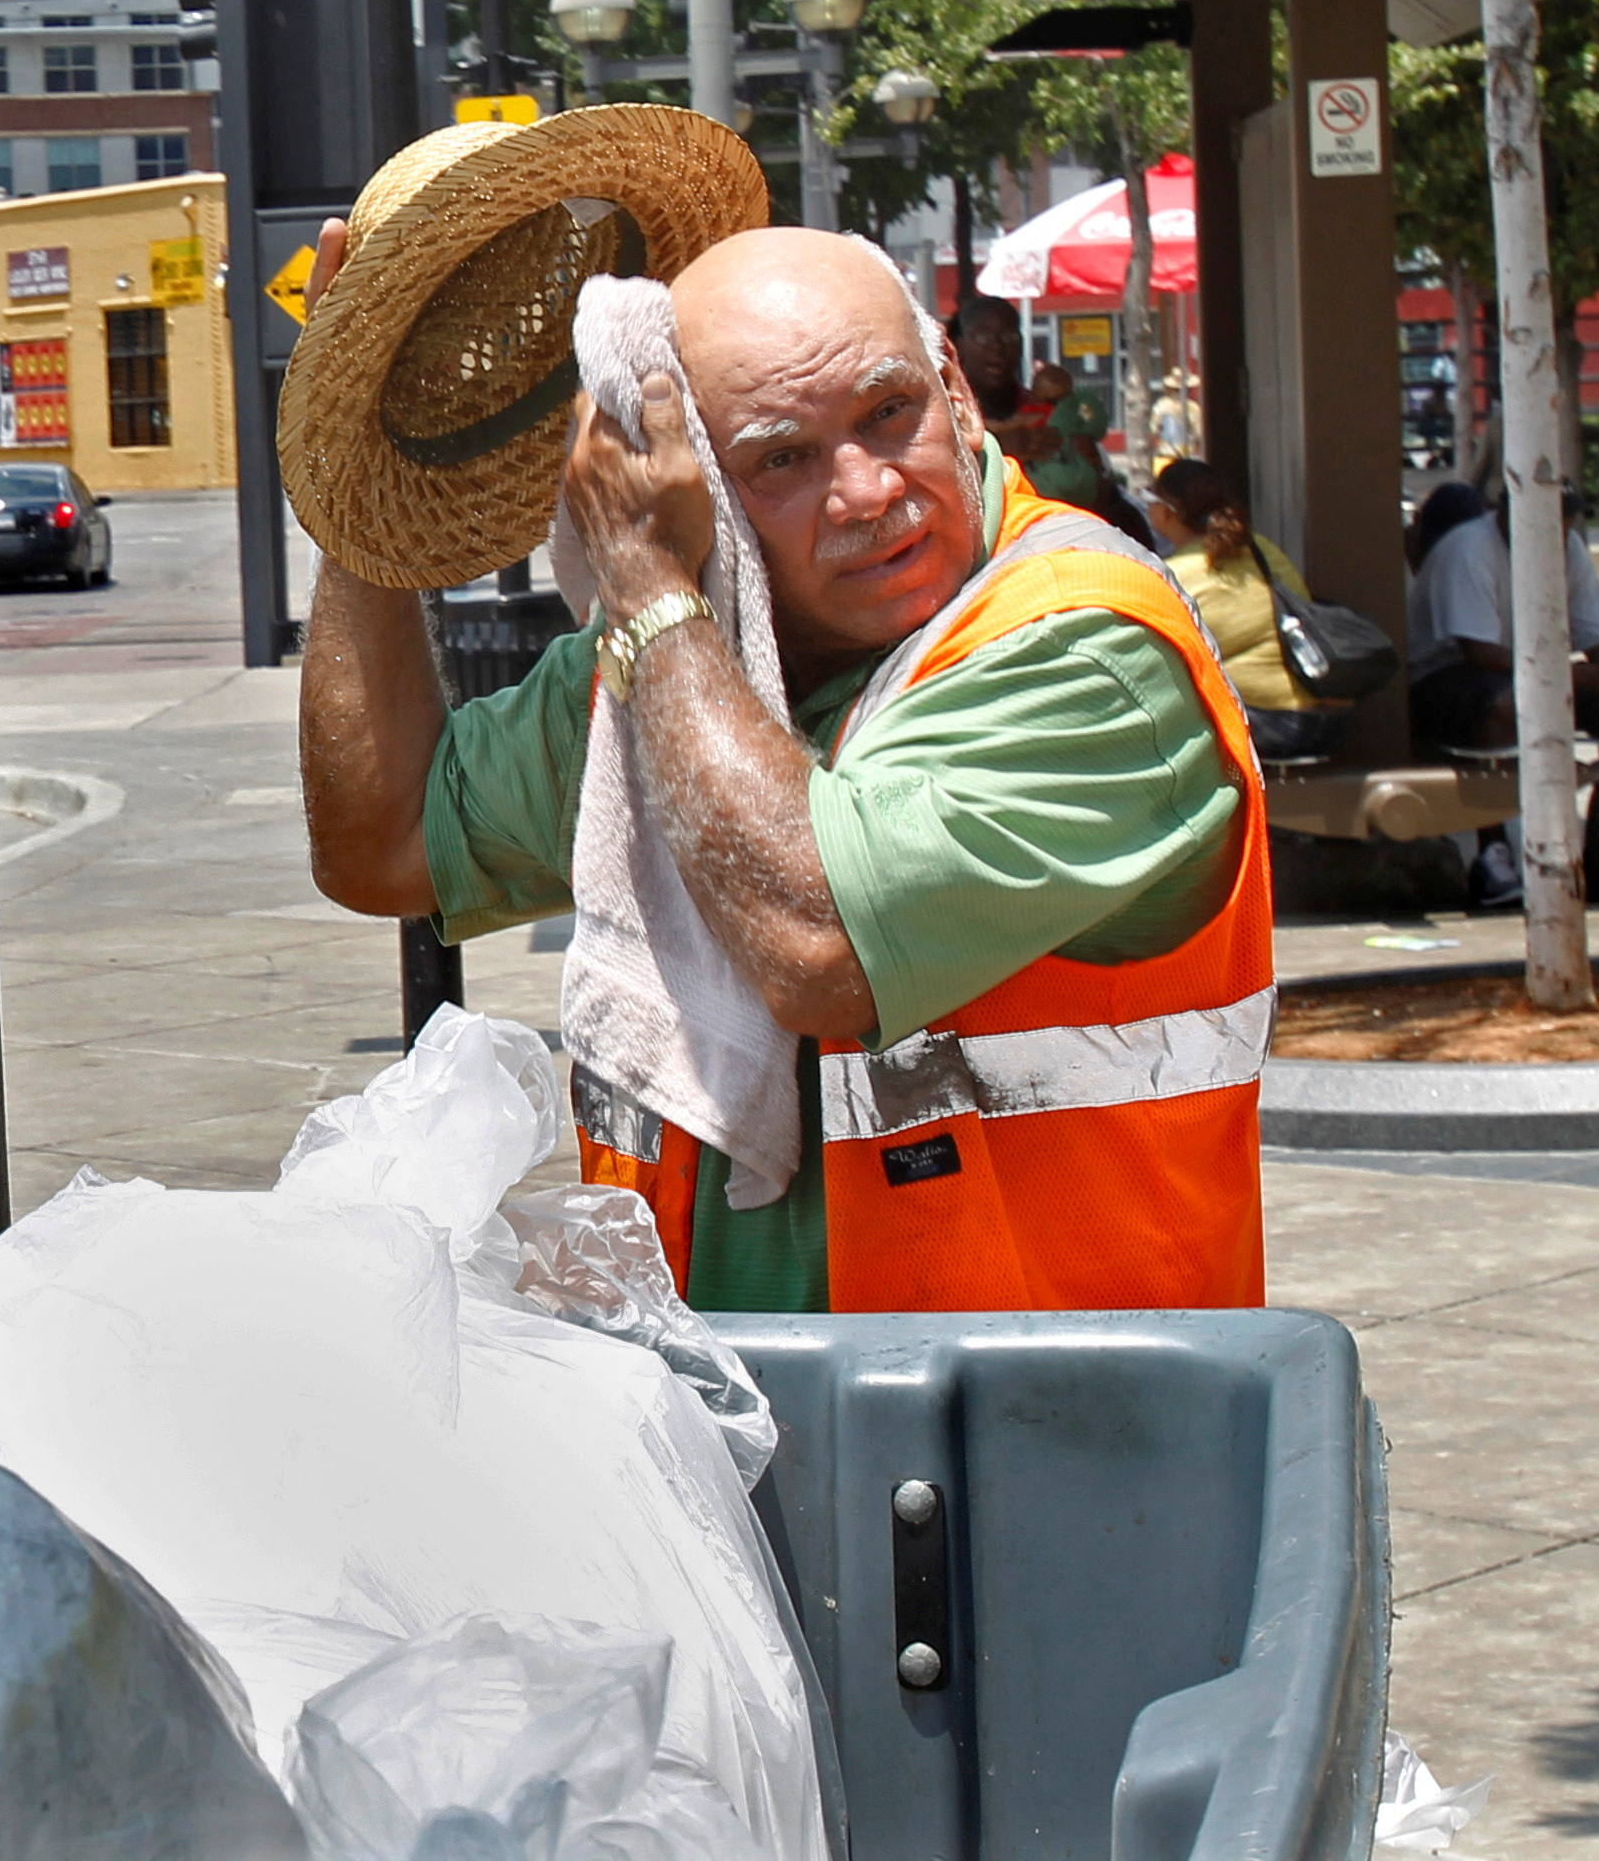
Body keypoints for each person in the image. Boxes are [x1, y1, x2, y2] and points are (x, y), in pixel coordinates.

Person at [300, 219, 1272, 1319]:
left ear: (953, 388)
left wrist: (648, 587)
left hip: (1060, 1444)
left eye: (888, 414)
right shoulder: (674, 659)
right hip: (742, 1441)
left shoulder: (1087, 644)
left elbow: (817, 947)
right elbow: (378, 843)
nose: (865, 493)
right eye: (782, 460)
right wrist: (354, 472)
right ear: (691, 485)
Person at [1407, 488, 1599, 902]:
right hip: (1445, 678)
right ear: (1509, 519)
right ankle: (1494, 854)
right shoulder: (1469, 550)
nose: (1557, 541)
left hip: (1534, 671)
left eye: (1562, 531)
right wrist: (1584, 676)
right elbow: (1481, 654)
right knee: (1504, 704)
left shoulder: (1568, 548)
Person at [1145, 460, 1354, 765]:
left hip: (1268, 723)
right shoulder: (1262, 550)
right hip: (1329, 717)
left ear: (1165, 512)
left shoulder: (1173, 576)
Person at [949, 294, 1155, 547]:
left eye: (1010, 337)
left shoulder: (1050, 408)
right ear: (957, 345)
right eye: (982, 338)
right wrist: (998, 448)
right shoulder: (947, 412)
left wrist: (1089, 465)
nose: (998, 347)